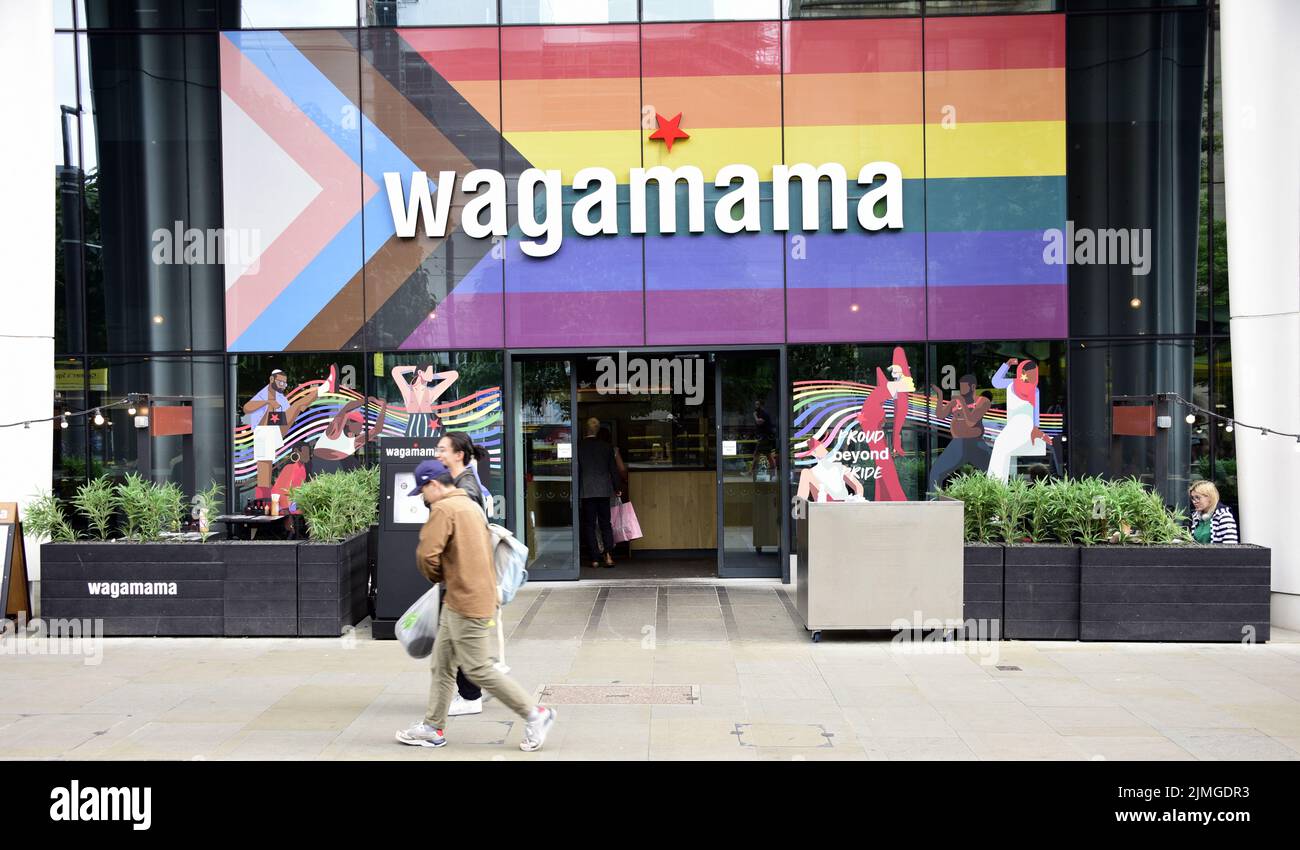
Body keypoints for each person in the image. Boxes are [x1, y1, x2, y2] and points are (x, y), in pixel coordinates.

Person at [396, 459, 557, 752]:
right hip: (471, 596)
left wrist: (437, 575)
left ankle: (536, 714)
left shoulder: (444, 508)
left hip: (466, 600)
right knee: (442, 665)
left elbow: (427, 556)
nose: (422, 498)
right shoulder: (469, 503)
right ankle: (432, 728)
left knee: (479, 668)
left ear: (434, 485)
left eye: (422, 491)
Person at [243, 367, 333, 492]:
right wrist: (268, 402)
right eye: (280, 382)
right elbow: (247, 408)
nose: (283, 386)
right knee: (265, 466)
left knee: (297, 406)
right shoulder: (263, 394)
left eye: (285, 383)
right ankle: (264, 500)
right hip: (263, 431)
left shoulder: (280, 396)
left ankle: (324, 389)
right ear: (271, 379)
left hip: (274, 426)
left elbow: (289, 412)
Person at [853, 347, 914, 501]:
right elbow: (898, 419)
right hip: (870, 422)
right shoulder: (900, 389)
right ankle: (898, 500)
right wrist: (896, 442)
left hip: (871, 421)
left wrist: (896, 440)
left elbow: (899, 417)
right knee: (886, 465)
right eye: (894, 371)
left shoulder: (899, 389)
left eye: (897, 371)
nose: (894, 374)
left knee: (884, 464)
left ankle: (884, 499)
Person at [988, 358, 1052, 482]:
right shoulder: (1012, 383)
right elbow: (995, 382)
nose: (1030, 376)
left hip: (1024, 424)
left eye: (1033, 373)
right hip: (1013, 424)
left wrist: (1035, 430)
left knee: (1001, 448)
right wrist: (1006, 365)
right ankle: (998, 485)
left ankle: (996, 485)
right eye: (1027, 372)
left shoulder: (1034, 390)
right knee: (1001, 449)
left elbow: (1035, 413)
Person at [927, 374, 993, 494]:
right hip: (958, 443)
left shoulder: (982, 401)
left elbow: (971, 422)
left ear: (972, 387)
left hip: (975, 443)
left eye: (964, 387)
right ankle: (933, 505)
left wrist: (962, 403)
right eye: (961, 387)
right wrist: (940, 396)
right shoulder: (955, 401)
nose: (962, 391)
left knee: (994, 471)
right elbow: (940, 415)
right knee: (935, 473)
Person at [577, 417, 621, 568]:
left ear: (586, 429)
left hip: (586, 490)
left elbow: (577, 470)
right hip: (603, 490)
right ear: (598, 430)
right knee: (605, 523)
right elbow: (613, 470)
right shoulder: (606, 447)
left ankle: (594, 558)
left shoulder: (579, 447)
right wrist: (617, 488)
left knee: (589, 524)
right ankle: (608, 556)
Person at [391, 363, 459, 438]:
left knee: (433, 447)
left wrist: (431, 376)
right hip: (413, 426)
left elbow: (454, 375)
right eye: (429, 372)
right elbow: (395, 371)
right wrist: (415, 368)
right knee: (412, 447)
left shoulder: (430, 392)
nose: (431, 374)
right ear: (420, 372)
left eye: (432, 372)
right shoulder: (408, 391)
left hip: (431, 426)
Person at [795, 436, 864, 502]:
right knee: (806, 473)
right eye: (820, 448)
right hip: (824, 505)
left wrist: (857, 502)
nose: (824, 450)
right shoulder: (810, 473)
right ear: (813, 453)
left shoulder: (840, 468)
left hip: (842, 505)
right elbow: (802, 497)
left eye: (824, 447)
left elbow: (858, 487)